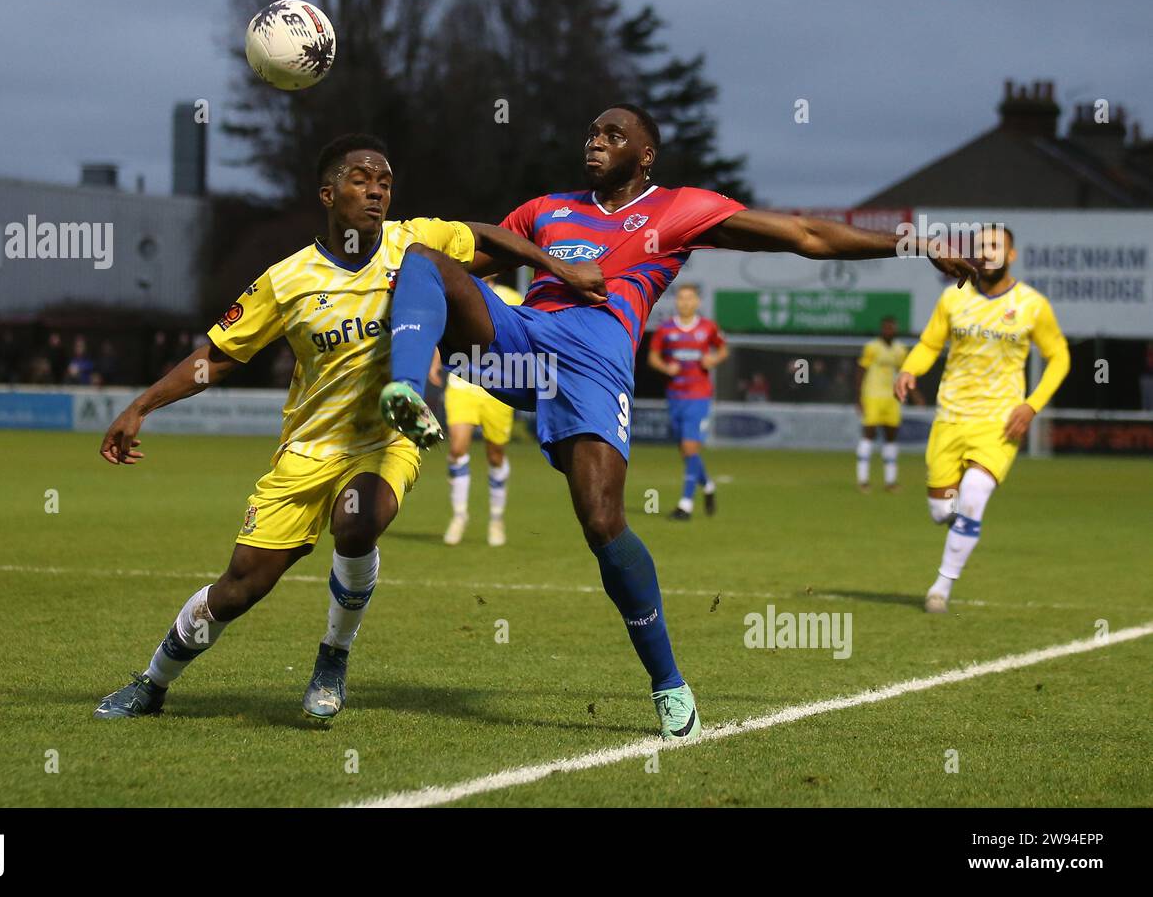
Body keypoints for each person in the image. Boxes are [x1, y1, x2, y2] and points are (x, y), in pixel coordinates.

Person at [379, 104, 978, 738]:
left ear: (645, 157)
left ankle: (669, 684)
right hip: (520, 346)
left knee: (602, 522)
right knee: (422, 258)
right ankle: (407, 391)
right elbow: (473, 258)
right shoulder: (544, 210)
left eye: (614, 135)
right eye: (591, 132)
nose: (596, 142)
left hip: (592, 359)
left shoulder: (678, 210)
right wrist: (539, 266)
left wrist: (912, 243)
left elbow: (806, 235)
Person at [92, 133, 598, 722]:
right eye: (362, 179)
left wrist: (557, 265)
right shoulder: (287, 280)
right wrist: (142, 406)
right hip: (306, 450)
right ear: (328, 194)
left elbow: (485, 237)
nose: (377, 189)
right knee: (240, 587)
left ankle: (333, 654)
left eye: (384, 180)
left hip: (385, 441)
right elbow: (219, 355)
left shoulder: (414, 244)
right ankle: (152, 684)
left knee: (357, 525)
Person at [895, 225, 1069, 614]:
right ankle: (961, 525)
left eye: (996, 246)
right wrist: (910, 369)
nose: (987, 252)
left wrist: (1032, 404)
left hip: (1000, 421)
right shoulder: (952, 298)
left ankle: (940, 588)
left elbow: (1059, 356)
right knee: (943, 511)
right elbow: (929, 344)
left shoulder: (1032, 304)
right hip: (951, 419)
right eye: (981, 247)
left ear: (1011, 255)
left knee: (973, 495)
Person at [430, 275, 525, 546]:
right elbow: (444, 330)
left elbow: (524, 333)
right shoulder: (457, 294)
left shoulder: (510, 297)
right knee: (457, 449)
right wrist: (435, 362)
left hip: (499, 387)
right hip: (462, 383)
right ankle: (459, 516)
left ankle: (496, 518)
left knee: (495, 455)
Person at [647, 284, 726, 519]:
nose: (685, 302)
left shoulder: (708, 328)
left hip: (699, 396)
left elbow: (722, 350)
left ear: (697, 302)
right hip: (675, 396)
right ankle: (709, 485)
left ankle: (685, 505)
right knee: (685, 451)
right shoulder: (666, 329)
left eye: (689, 298)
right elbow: (653, 357)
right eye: (681, 298)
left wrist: (712, 359)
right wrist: (665, 366)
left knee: (691, 447)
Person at [854, 315, 908, 492]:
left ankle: (891, 481)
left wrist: (914, 394)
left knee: (891, 437)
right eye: (886, 327)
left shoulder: (900, 349)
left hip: (892, 398)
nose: (889, 330)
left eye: (891, 327)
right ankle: (863, 480)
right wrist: (858, 397)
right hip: (873, 395)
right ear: (882, 329)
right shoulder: (872, 347)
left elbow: (905, 372)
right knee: (868, 434)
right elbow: (861, 370)